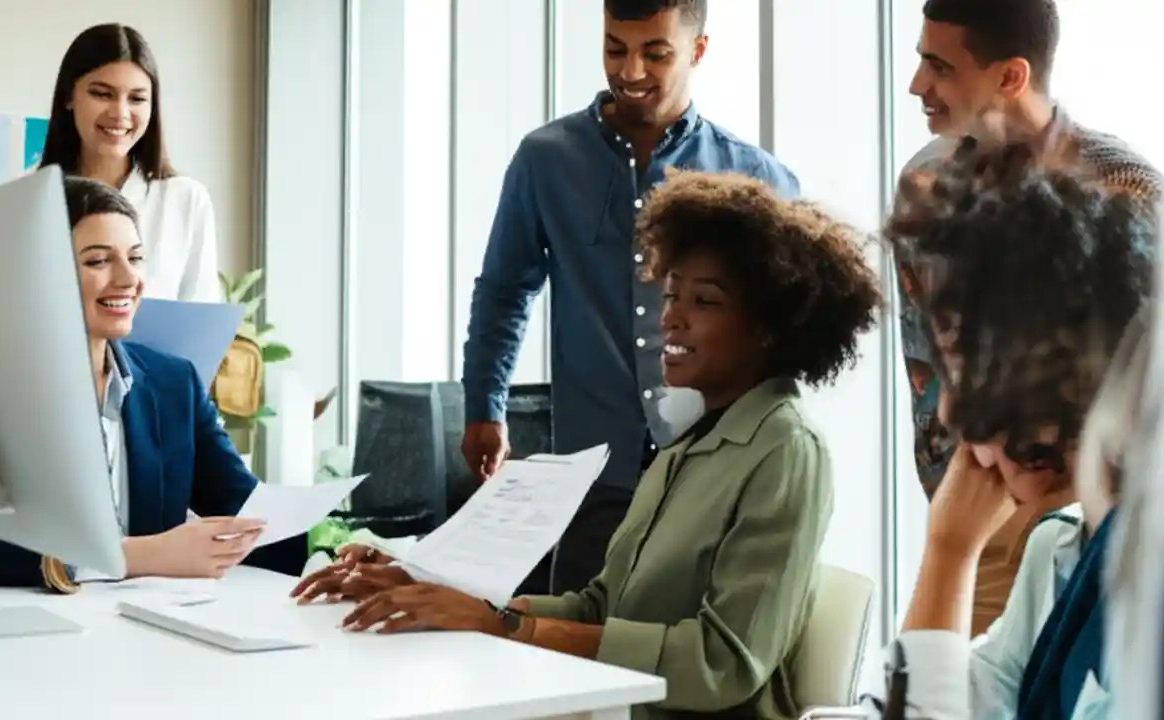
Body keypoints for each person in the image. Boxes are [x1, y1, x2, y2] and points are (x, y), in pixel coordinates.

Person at [299, 170, 882, 719]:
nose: (671, 319)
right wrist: (436, 590)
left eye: (704, 302)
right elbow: (601, 609)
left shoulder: (785, 448)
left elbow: (719, 665)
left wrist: (504, 625)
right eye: (671, 296)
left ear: (770, 326)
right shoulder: (687, 445)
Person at [461, 0, 800, 595]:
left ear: (697, 51)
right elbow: (503, 292)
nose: (631, 71)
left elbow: (789, 332)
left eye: (656, 53)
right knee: (575, 654)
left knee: (686, 660)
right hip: (592, 476)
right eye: (615, 48)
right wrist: (484, 406)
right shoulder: (545, 159)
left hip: (712, 474)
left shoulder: (756, 178)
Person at [900, 0, 1164, 633]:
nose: (917, 85)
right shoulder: (925, 183)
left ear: (1011, 76)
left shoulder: (1131, 193)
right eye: (918, 59)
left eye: (939, 65)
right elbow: (927, 372)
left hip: (1096, 509)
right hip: (982, 503)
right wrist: (957, 516)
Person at [872, 140, 1156, 718]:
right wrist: (949, 551)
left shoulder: (1159, 582)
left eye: (966, 371)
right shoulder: (1061, 548)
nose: (949, 415)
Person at [0, 177, 306, 591]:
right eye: (98, 261)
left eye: (136, 257)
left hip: (147, 631)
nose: (128, 279)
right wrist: (140, 556)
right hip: (33, 632)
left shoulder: (173, 383)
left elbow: (253, 520)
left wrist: (357, 554)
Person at [38, 23, 221, 302]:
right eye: (102, 94)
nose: (120, 113)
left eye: (137, 98)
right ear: (68, 97)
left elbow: (200, 313)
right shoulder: (34, 198)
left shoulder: (186, 200)